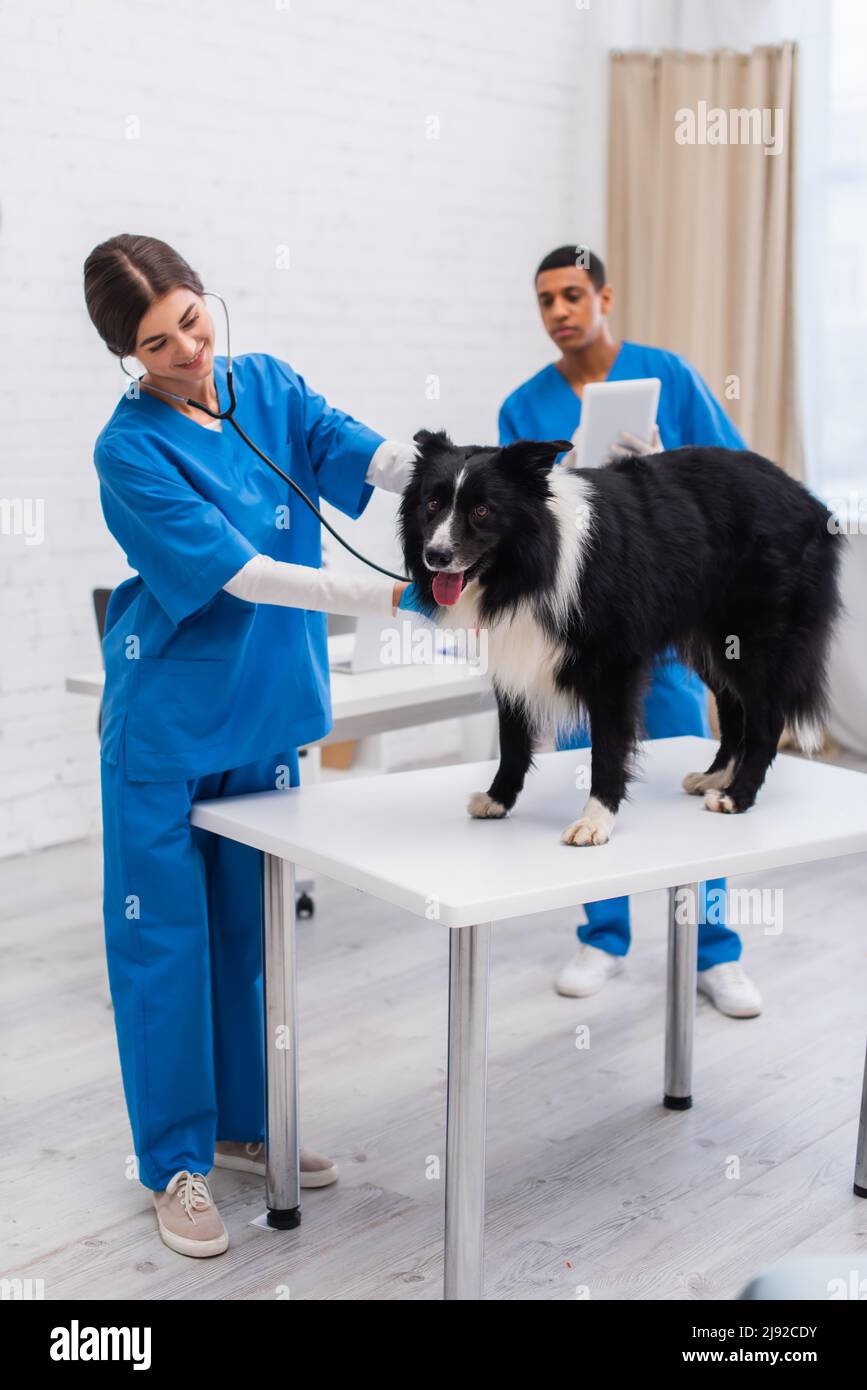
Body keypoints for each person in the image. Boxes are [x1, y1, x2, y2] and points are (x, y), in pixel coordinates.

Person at [84, 234, 418, 1258]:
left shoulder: (267, 386)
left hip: (265, 715)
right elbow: (241, 575)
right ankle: (175, 1164)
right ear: (126, 356)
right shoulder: (129, 449)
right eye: (157, 342)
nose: (189, 349)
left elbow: (369, 455)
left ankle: (242, 1125)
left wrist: (464, 479)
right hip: (169, 724)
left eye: (192, 317)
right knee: (164, 946)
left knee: (250, 937)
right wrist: (389, 596)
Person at [498, 244, 762, 1019]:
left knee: (692, 782)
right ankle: (603, 935)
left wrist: (662, 463)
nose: (558, 313)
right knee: (594, 781)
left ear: (604, 298)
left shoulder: (667, 377)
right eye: (545, 300)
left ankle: (714, 950)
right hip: (578, 633)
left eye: (572, 295)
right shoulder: (522, 405)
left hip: (666, 616)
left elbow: (733, 469)